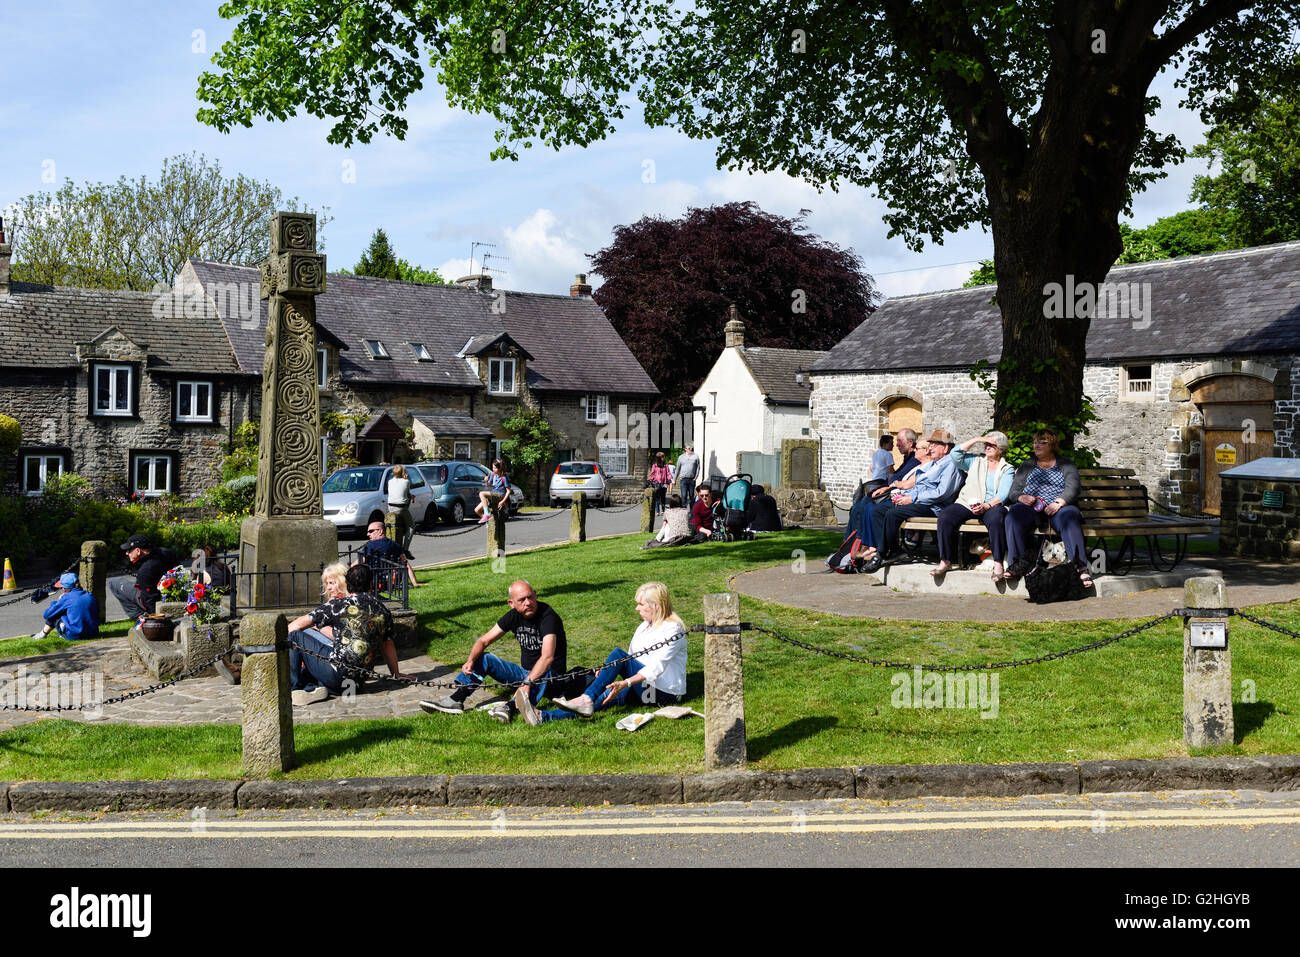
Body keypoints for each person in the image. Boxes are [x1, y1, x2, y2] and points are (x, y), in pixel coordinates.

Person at [419, 579, 574, 725]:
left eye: (530, 597)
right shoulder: (513, 616)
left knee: (543, 671)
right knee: (484, 658)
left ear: (535, 595)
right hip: (526, 675)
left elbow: (547, 658)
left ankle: (511, 708)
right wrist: (471, 660)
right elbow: (483, 641)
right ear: (511, 603)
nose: (528, 603)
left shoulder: (548, 616)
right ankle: (455, 700)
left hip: (553, 679)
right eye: (522, 600)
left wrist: (527, 682)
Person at [547, 582, 688, 722]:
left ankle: (586, 698)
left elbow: (655, 667)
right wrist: (608, 669)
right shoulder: (643, 627)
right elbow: (632, 658)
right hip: (644, 688)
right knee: (603, 696)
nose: (637, 608)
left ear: (655, 606)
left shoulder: (673, 630)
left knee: (618, 655)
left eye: (641, 604)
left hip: (663, 695)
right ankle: (544, 717)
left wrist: (626, 682)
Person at [285, 563, 400, 706]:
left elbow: (295, 626)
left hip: (336, 675)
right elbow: (387, 644)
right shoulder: (382, 609)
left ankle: (293, 690)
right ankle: (315, 687)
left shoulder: (338, 605)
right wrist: (396, 675)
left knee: (296, 636)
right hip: (355, 683)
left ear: (348, 584)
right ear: (371, 584)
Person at [862, 430, 964, 571]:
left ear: (946, 448)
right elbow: (919, 485)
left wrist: (912, 498)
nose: (931, 448)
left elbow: (941, 493)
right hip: (919, 501)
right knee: (879, 511)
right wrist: (905, 495)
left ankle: (880, 554)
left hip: (933, 507)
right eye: (931, 444)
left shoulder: (951, 465)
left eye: (935, 444)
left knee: (893, 513)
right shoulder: (935, 464)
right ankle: (895, 550)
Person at [1002, 429, 1091, 587]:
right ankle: (1018, 565)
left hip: (1058, 508)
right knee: (1013, 516)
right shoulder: (1028, 464)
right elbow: (1014, 491)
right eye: (1035, 442)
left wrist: (1059, 503)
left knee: (1070, 518)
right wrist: (1021, 497)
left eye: (1042, 442)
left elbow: (1073, 487)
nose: (1036, 445)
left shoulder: (1066, 464)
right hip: (1032, 507)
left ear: (1052, 445)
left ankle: (1081, 568)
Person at [931, 432, 1015, 579]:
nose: (987, 447)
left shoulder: (1007, 468)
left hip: (991, 505)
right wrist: (977, 439)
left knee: (997, 519)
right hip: (968, 503)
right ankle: (945, 560)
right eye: (986, 444)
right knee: (945, 517)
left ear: (1001, 448)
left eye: (992, 445)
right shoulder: (976, 461)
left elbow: (1003, 494)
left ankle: (998, 562)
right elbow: (954, 454)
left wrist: (986, 506)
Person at [846, 429, 919, 548]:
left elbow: (897, 479)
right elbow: (895, 476)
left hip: (899, 495)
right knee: (858, 507)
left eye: (900, 441)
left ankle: (861, 545)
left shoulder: (914, 460)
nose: (896, 444)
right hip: (887, 489)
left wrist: (888, 485)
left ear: (910, 443)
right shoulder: (908, 459)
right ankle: (852, 544)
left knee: (867, 507)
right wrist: (889, 484)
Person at [111, 534, 181, 620]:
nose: (127, 553)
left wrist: (154, 617)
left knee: (114, 583)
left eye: (129, 550)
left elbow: (149, 600)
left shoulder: (145, 571)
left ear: (138, 551)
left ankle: (138, 616)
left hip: (154, 599)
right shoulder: (167, 552)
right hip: (173, 594)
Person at [31, 572, 100, 641]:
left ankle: (43, 634)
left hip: (75, 636)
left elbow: (47, 615)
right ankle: (42, 634)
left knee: (54, 608)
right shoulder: (89, 595)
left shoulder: (66, 598)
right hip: (94, 633)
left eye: (62, 587)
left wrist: (58, 601)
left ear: (64, 588)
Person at [355, 519, 420, 588]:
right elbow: (406, 565)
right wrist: (415, 583)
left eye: (371, 531)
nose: (368, 534)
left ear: (380, 531)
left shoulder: (370, 545)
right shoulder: (395, 545)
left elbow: (358, 563)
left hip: (375, 581)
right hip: (391, 580)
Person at [387, 464, 414, 550]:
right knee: (411, 527)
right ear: (403, 472)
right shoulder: (406, 481)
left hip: (390, 507)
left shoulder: (390, 481)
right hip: (400, 507)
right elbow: (408, 494)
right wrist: (412, 497)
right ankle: (405, 549)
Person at [475, 459, 510, 524]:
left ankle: (487, 514)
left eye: (495, 468)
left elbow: (508, 491)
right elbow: (488, 485)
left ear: (500, 468)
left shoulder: (504, 478)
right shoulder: (493, 475)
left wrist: (502, 502)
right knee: (477, 510)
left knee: (481, 493)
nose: (493, 469)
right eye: (492, 467)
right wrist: (486, 481)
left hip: (500, 496)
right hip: (493, 495)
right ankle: (489, 522)